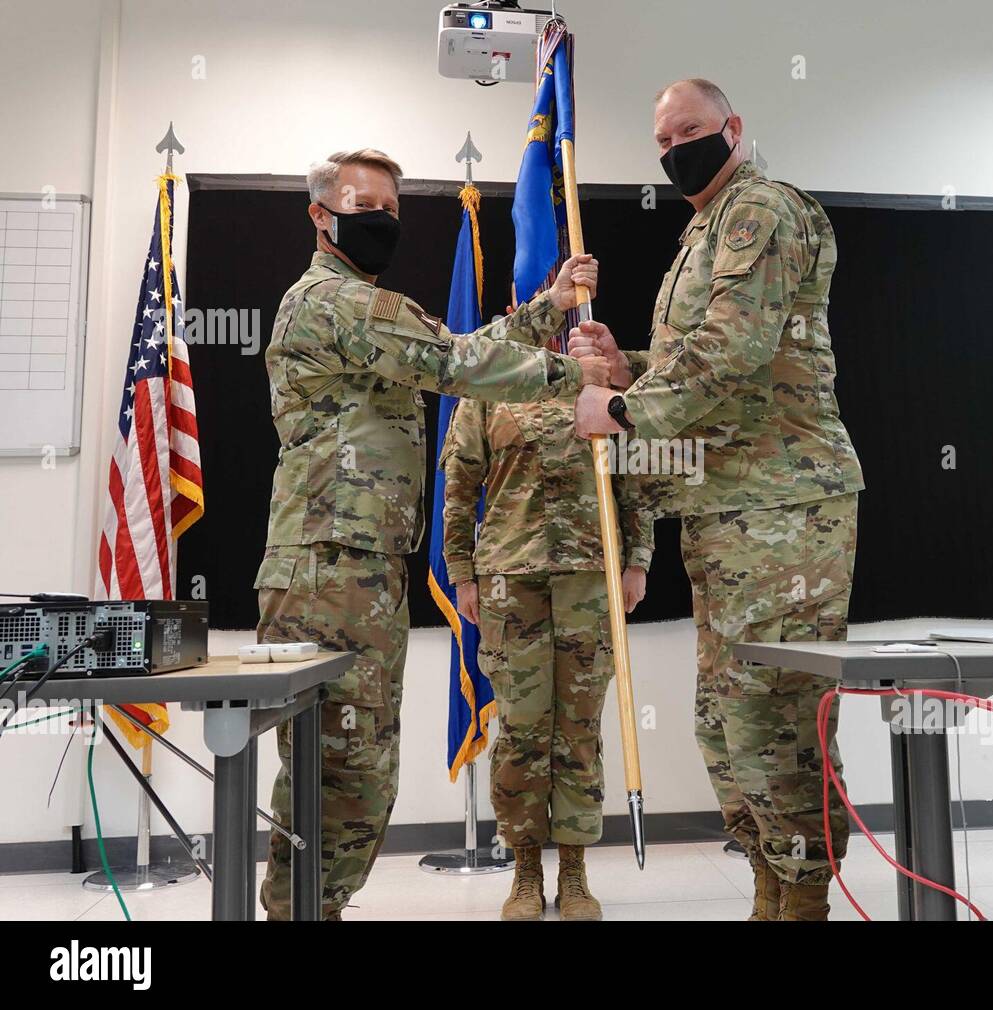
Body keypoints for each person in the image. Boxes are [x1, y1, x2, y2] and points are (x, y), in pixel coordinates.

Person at [255, 148, 607, 920]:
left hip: (354, 565)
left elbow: (454, 346)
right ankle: (297, 912)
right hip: (330, 567)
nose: (381, 221)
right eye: (363, 206)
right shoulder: (337, 303)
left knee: (351, 771)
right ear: (320, 215)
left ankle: (313, 909)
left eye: (391, 210)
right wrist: (571, 377)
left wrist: (547, 310)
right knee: (340, 772)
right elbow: (455, 362)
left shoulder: (365, 308)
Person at [570, 80, 864, 921]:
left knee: (775, 718)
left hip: (785, 505)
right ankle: (771, 890)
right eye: (661, 142)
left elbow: (733, 350)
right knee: (728, 723)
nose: (673, 152)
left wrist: (622, 410)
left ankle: (803, 898)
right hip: (725, 504)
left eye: (689, 131)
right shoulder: (704, 226)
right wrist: (628, 365)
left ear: (733, 127)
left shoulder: (758, 209)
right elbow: (702, 356)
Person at [442, 393, 654, 920]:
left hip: (590, 572)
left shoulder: (602, 389)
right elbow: (460, 487)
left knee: (579, 728)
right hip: (510, 580)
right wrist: (461, 573)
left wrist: (638, 561)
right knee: (522, 728)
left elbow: (635, 482)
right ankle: (526, 871)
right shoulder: (487, 391)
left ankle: (576, 872)